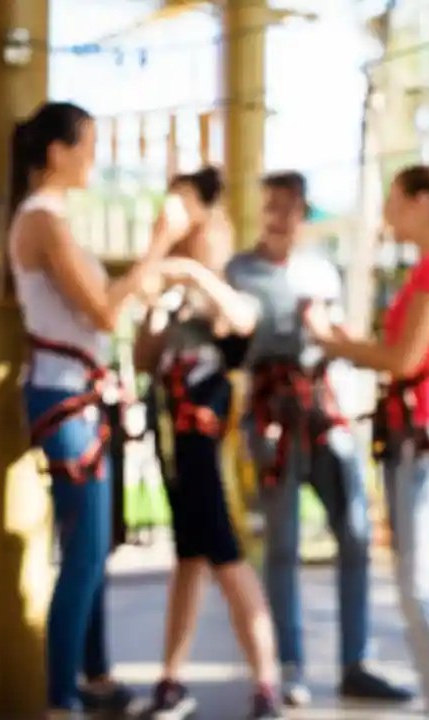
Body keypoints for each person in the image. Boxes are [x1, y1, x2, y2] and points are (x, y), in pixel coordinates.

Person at [163, 170, 411, 706]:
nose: (278, 215)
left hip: (322, 407)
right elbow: (223, 336)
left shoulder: (321, 271)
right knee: (282, 543)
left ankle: (356, 660)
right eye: (270, 205)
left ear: (301, 211)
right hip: (269, 414)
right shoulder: (238, 271)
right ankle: (289, 666)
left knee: (356, 532)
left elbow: (335, 339)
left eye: (288, 206)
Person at [6, 101, 192, 717]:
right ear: (57, 151)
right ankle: (62, 698)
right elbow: (105, 314)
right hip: (65, 398)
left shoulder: (50, 221)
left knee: (92, 549)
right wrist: (158, 246)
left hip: (75, 395)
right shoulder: (44, 223)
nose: (93, 158)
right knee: (83, 553)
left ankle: (93, 678)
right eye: (86, 145)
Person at [303, 165, 429, 719]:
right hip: (419, 430)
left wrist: (332, 343)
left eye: (393, 199)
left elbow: (405, 359)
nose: (386, 210)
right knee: (423, 582)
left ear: (421, 203)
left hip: (428, 432)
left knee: (426, 582)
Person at [133, 168, 283, 719]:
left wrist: (193, 273)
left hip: (212, 452)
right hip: (176, 451)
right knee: (191, 560)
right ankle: (171, 680)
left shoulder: (226, 297)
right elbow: (142, 359)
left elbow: (241, 321)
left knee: (225, 558)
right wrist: (159, 291)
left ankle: (266, 682)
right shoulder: (172, 302)